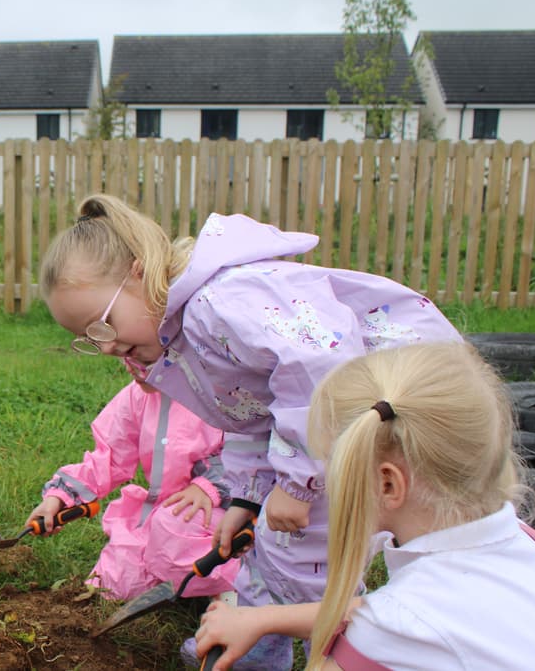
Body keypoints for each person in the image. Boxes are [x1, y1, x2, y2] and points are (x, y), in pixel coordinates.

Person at [38, 194, 462, 669]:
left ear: (138, 271)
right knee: (273, 543)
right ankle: (249, 649)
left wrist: (297, 486)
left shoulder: (220, 304)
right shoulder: (180, 336)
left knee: (309, 562)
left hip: (409, 409)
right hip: (340, 430)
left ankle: (340, 656)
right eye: (90, 339)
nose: (109, 345)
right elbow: (247, 413)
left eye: (104, 324)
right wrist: (250, 497)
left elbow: (321, 371)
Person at [193, 342, 535, 670]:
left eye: (331, 469)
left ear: (388, 484)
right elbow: (376, 616)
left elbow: (388, 623)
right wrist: (263, 619)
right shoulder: (534, 547)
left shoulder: (384, 638)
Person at [26, 376, 239, 601]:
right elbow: (108, 456)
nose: (134, 368)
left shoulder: (223, 390)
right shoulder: (139, 395)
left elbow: (253, 451)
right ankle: (190, 580)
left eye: (143, 357)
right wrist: (60, 497)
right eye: (126, 356)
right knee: (114, 586)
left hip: (230, 507)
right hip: (164, 510)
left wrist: (209, 485)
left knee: (172, 528)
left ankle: (240, 581)